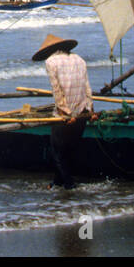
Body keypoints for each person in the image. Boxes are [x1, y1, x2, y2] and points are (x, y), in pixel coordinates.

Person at [33, 33, 93, 189]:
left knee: (57, 151)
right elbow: (87, 88)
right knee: (71, 149)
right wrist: (90, 109)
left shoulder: (51, 62)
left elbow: (57, 90)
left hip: (66, 114)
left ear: (51, 51)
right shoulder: (80, 60)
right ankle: (57, 182)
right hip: (82, 111)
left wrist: (65, 112)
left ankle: (69, 184)